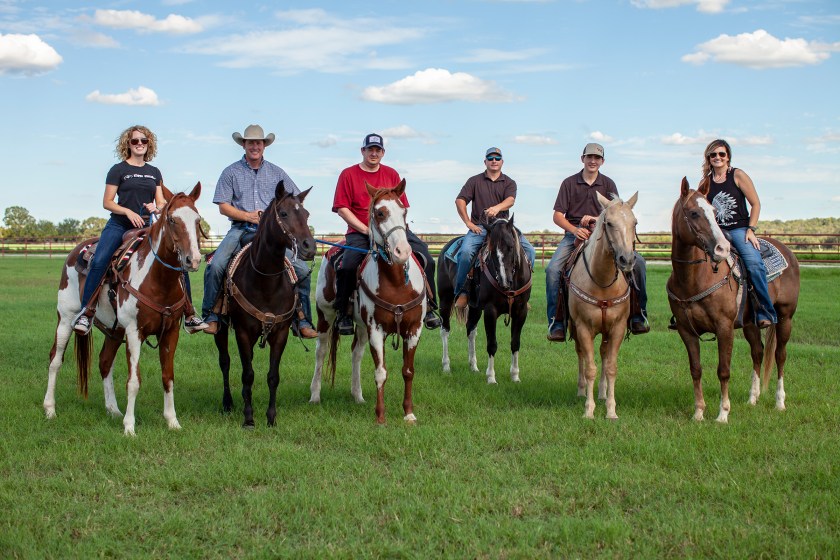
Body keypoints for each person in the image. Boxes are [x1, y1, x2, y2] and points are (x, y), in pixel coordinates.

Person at [72, 125, 207, 335]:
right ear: (128, 144)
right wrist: (128, 212)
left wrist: (157, 207)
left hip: (146, 226)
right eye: (135, 141)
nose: (139, 144)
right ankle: (86, 312)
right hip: (119, 224)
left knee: (177, 260)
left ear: (148, 144)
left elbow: (161, 202)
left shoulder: (154, 172)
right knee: (99, 260)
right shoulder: (118, 170)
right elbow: (107, 202)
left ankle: (189, 314)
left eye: (143, 140)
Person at [201, 124, 316, 338]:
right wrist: (247, 216)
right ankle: (211, 316)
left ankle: (303, 320)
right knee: (216, 265)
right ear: (243, 145)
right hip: (240, 228)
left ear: (264, 146)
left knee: (301, 269)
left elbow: (295, 200)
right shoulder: (230, 172)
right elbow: (223, 206)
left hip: (272, 235)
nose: (255, 146)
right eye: (250, 142)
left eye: (259, 142)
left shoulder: (277, 172)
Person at [331, 133, 442, 335]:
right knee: (347, 266)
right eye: (370, 149)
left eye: (378, 150)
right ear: (362, 151)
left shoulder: (391, 174)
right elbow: (342, 209)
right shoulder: (348, 174)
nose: (374, 153)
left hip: (393, 229)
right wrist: (366, 230)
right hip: (361, 231)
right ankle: (343, 313)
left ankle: (430, 306)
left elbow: (401, 207)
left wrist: (399, 231)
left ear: (383, 153)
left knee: (426, 257)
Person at [545, 142, 649, 342]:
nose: (593, 161)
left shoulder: (608, 184)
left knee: (639, 264)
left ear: (602, 161)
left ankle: (638, 314)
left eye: (597, 158)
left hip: (603, 236)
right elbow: (557, 216)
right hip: (574, 235)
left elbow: (615, 213)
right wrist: (575, 229)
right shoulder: (569, 183)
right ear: (582, 159)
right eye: (589, 157)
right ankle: (556, 322)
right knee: (552, 270)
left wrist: (594, 219)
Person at [702, 138, 776, 328]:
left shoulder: (737, 175)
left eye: (721, 154)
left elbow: (756, 204)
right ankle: (688, 310)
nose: (717, 157)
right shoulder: (706, 182)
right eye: (713, 154)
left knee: (754, 264)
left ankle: (764, 311)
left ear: (728, 157)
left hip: (738, 229)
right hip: (717, 232)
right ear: (708, 158)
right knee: (695, 261)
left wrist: (751, 229)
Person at [453, 147, 536, 309]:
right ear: (485, 161)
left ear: (502, 162)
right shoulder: (474, 181)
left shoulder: (509, 182)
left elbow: (510, 200)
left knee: (530, 251)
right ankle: (462, 292)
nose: (494, 161)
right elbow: (460, 200)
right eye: (490, 158)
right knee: (465, 253)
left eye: (497, 158)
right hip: (480, 227)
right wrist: (468, 223)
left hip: (504, 227)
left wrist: (497, 208)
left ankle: (522, 293)